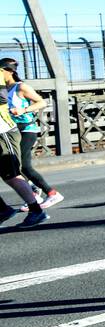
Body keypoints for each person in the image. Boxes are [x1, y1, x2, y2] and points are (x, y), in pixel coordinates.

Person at [0, 58, 62, 208]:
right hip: (12, 129)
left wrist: (23, 110)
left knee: (23, 166)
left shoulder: (21, 87)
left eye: (2, 71)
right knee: (16, 166)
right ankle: (33, 194)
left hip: (27, 129)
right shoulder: (3, 88)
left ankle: (52, 193)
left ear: (10, 72)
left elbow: (42, 102)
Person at [0, 95, 47, 228]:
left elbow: (2, 98)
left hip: (3, 133)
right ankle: (2, 210)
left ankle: (36, 211)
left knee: (12, 176)